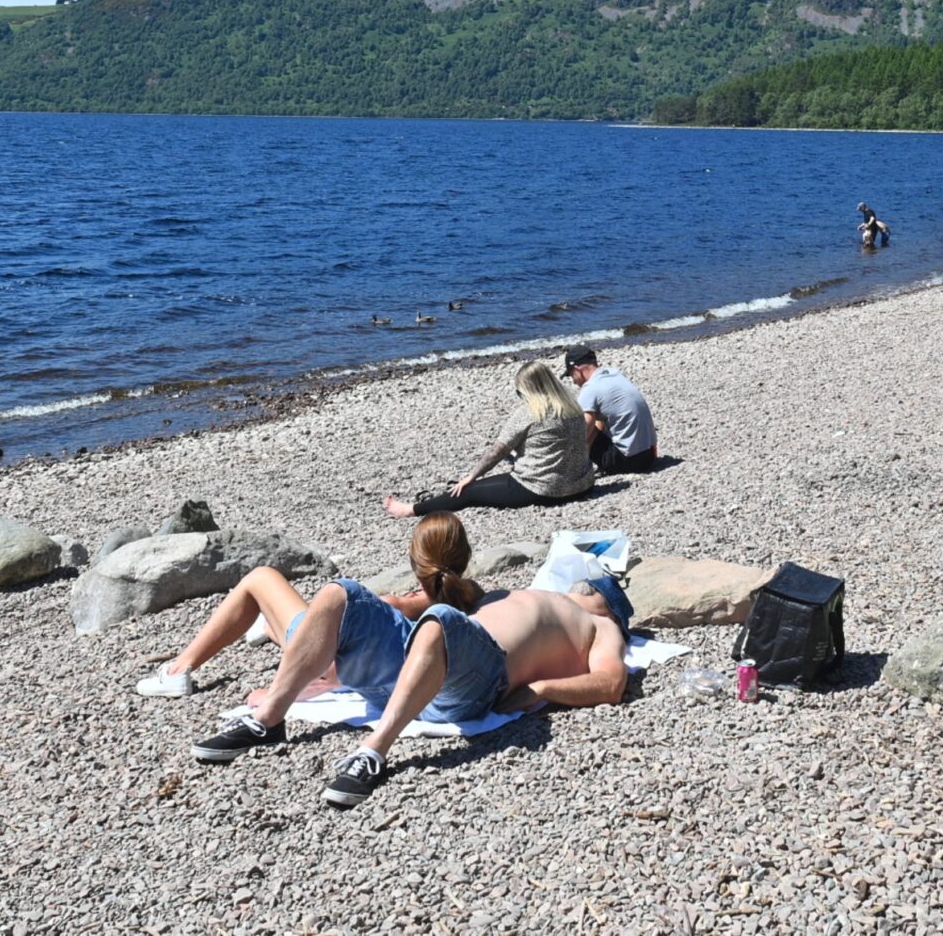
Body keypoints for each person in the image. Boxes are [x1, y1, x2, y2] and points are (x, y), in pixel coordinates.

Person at [139, 512, 630, 809]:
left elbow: (610, 685)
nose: (577, 587)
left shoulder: (601, 626)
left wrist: (544, 691)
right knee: (340, 593)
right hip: (425, 663)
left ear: (603, 600)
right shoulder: (513, 594)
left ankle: (374, 751)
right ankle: (269, 719)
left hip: (475, 679)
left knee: (439, 619)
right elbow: (435, 600)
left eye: (589, 588)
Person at [383, 361, 593, 516]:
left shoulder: (530, 412)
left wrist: (471, 477)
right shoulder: (572, 406)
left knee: (467, 492)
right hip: (581, 483)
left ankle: (411, 510)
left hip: (544, 489)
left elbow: (497, 451)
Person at [564, 345, 659, 474]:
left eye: (571, 375)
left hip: (629, 462)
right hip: (650, 455)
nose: (574, 382)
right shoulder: (615, 374)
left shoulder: (590, 388)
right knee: (598, 420)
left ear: (577, 369)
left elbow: (583, 429)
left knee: (576, 429)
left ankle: (577, 473)